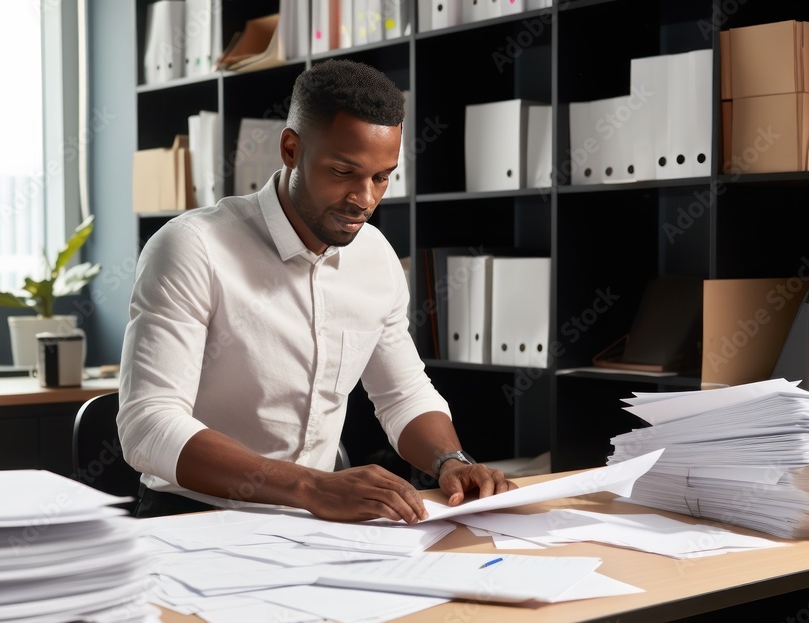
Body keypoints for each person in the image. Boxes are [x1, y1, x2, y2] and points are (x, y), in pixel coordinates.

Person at [118, 58, 516, 523]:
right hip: (194, 517)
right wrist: (310, 485)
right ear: (290, 148)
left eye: (381, 176)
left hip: (314, 525)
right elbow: (147, 424)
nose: (365, 199)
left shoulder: (376, 258)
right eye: (343, 171)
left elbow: (403, 394)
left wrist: (451, 460)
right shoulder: (192, 247)